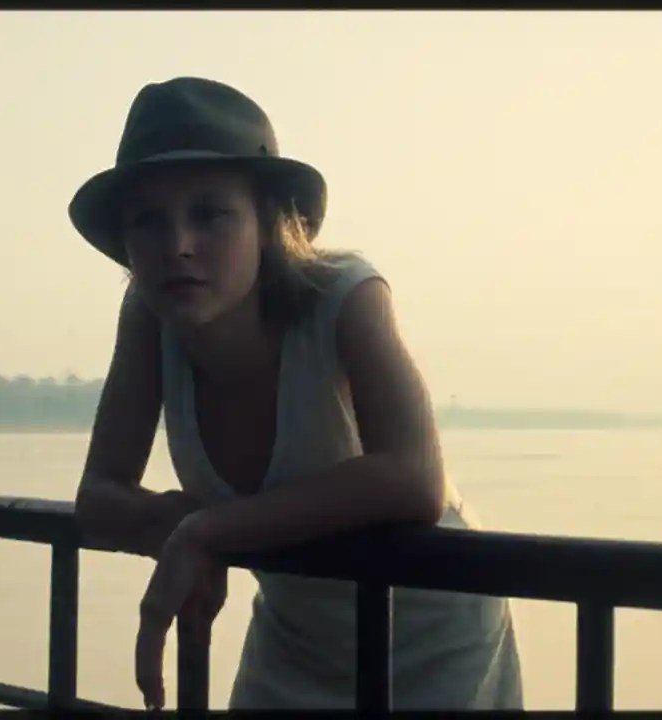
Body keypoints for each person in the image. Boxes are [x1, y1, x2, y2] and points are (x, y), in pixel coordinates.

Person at [70, 76, 523, 711]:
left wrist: (208, 531)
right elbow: (98, 493)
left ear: (269, 223)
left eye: (210, 213)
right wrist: (175, 528)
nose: (177, 245)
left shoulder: (345, 297)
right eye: (147, 220)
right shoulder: (150, 316)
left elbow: (414, 477)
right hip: (294, 635)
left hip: (431, 632)